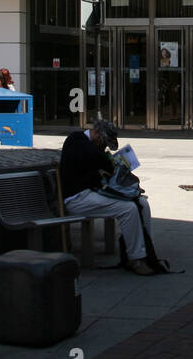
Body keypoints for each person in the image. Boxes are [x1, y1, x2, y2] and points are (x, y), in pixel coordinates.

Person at [60, 117, 157, 275]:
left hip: (93, 192)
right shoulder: (76, 140)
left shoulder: (92, 148)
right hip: (77, 198)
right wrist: (108, 161)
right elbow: (99, 161)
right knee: (128, 209)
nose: (104, 146)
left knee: (141, 203)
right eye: (103, 142)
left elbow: (103, 165)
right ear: (96, 133)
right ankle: (136, 258)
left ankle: (147, 249)